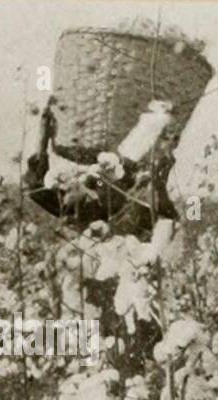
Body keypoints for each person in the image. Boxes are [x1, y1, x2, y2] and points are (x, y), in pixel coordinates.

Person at [22, 100, 175, 374]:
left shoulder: (112, 198)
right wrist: (42, 134)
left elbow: (162, 212)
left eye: (70, 183)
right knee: (89, 332)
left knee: (113, 333)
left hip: (113, 279)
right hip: (89, 279)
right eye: (66, 184)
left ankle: (113, 374)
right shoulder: (85, 202)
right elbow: (35, 185)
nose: (67, 185)